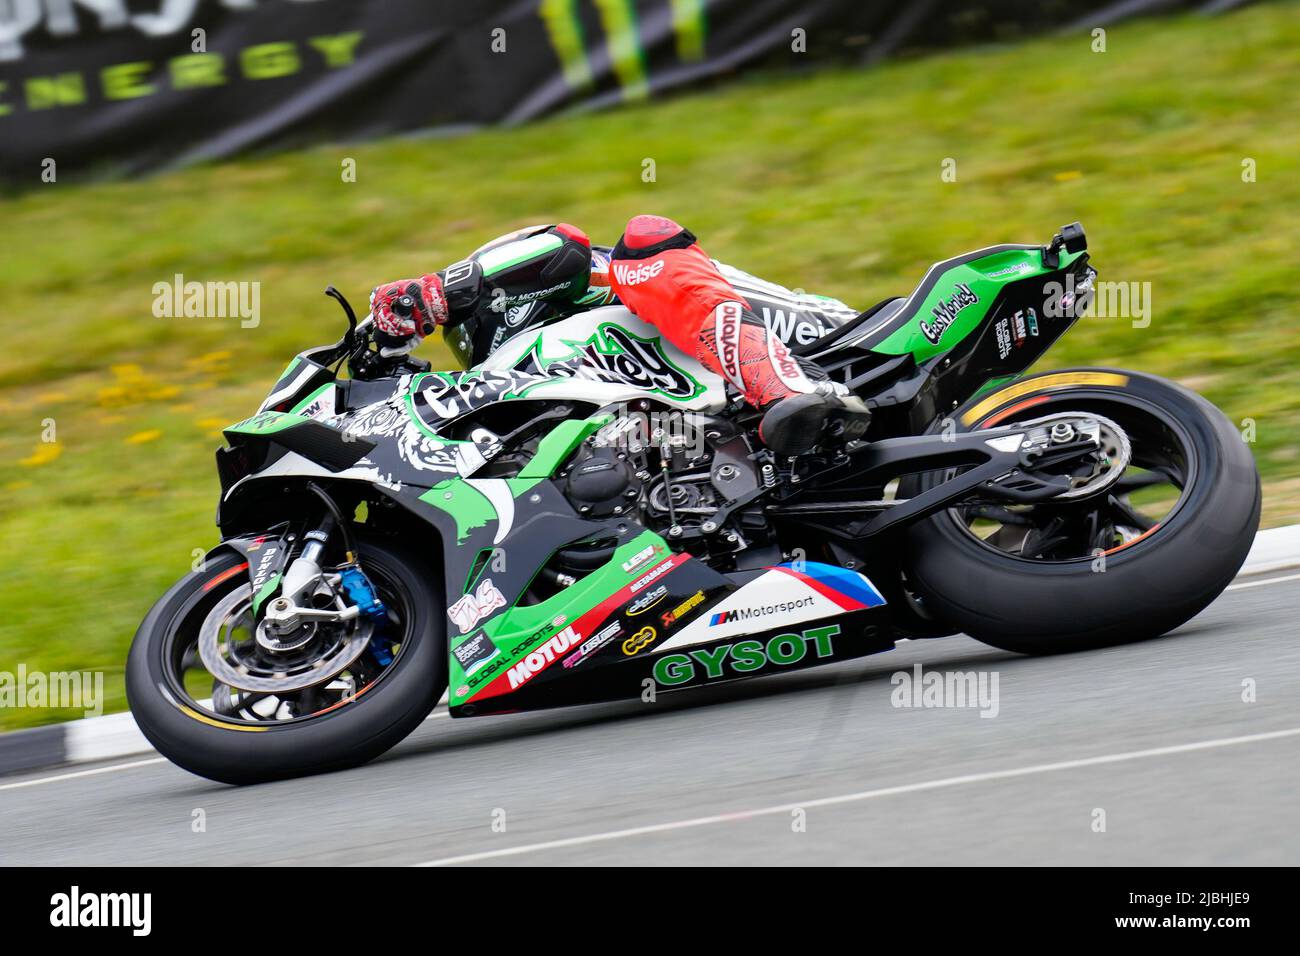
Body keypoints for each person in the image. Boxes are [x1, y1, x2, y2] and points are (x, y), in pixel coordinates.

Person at [368, 215, 871, 456]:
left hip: (835, 341)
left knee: (643, 243)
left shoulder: (601, 276)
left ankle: (787, 389)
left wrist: (439, 293)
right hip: (737, 415)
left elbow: (565, 246)